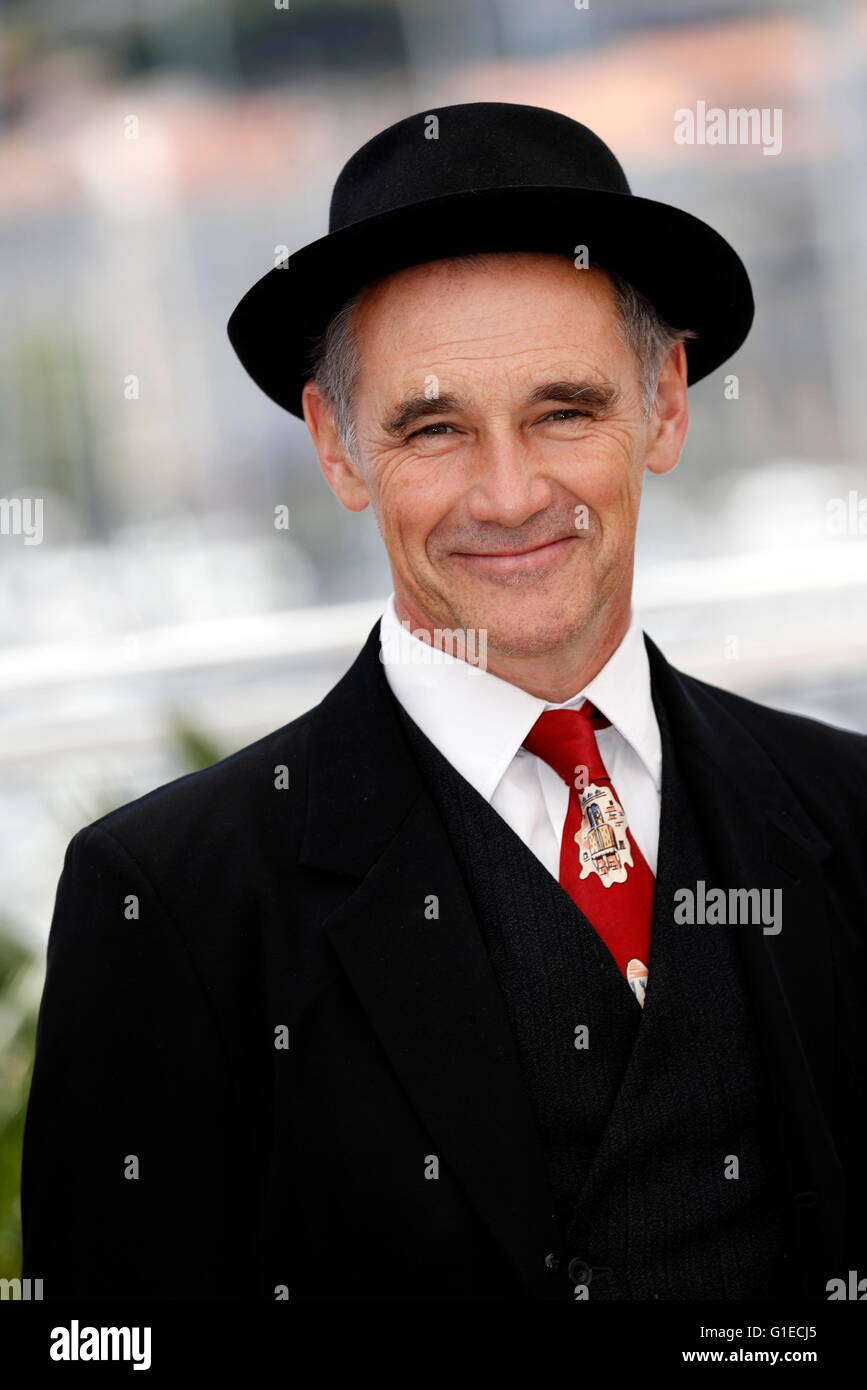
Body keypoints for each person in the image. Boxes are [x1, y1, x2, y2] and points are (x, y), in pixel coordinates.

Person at [21, 102, 867, 1301]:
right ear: (339, 446)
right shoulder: (172, 901)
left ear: (667, 403)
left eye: (564, 411)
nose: (510, 493)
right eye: (433, 428)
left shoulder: (849, 809)